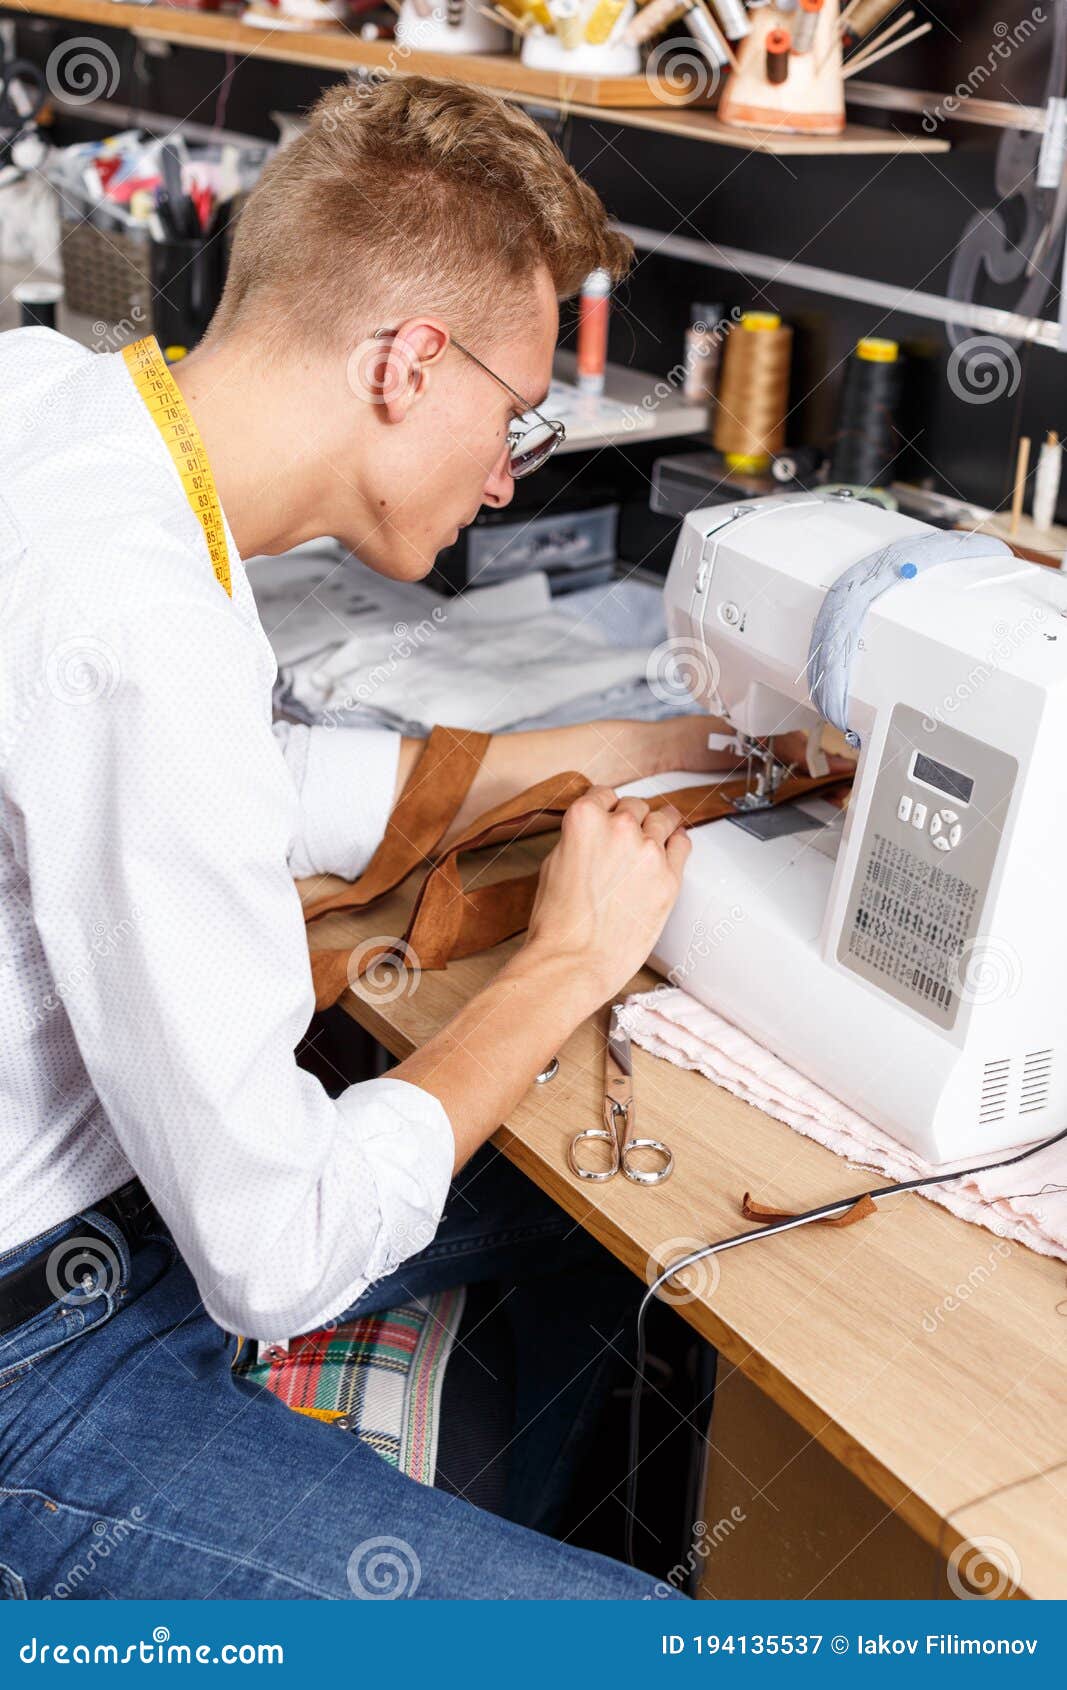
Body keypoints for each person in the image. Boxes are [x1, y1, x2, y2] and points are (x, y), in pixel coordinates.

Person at [0, 75, 780, 1600]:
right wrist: (560, 967)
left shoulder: (58, 406)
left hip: (94, 1216)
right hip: (42, 1348)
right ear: (408, 363)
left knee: (584, 1230)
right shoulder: (139, 624)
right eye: (516, 417)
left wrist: (597, 753)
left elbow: (234, 779)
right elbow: (277, 1248)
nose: (507, 473)